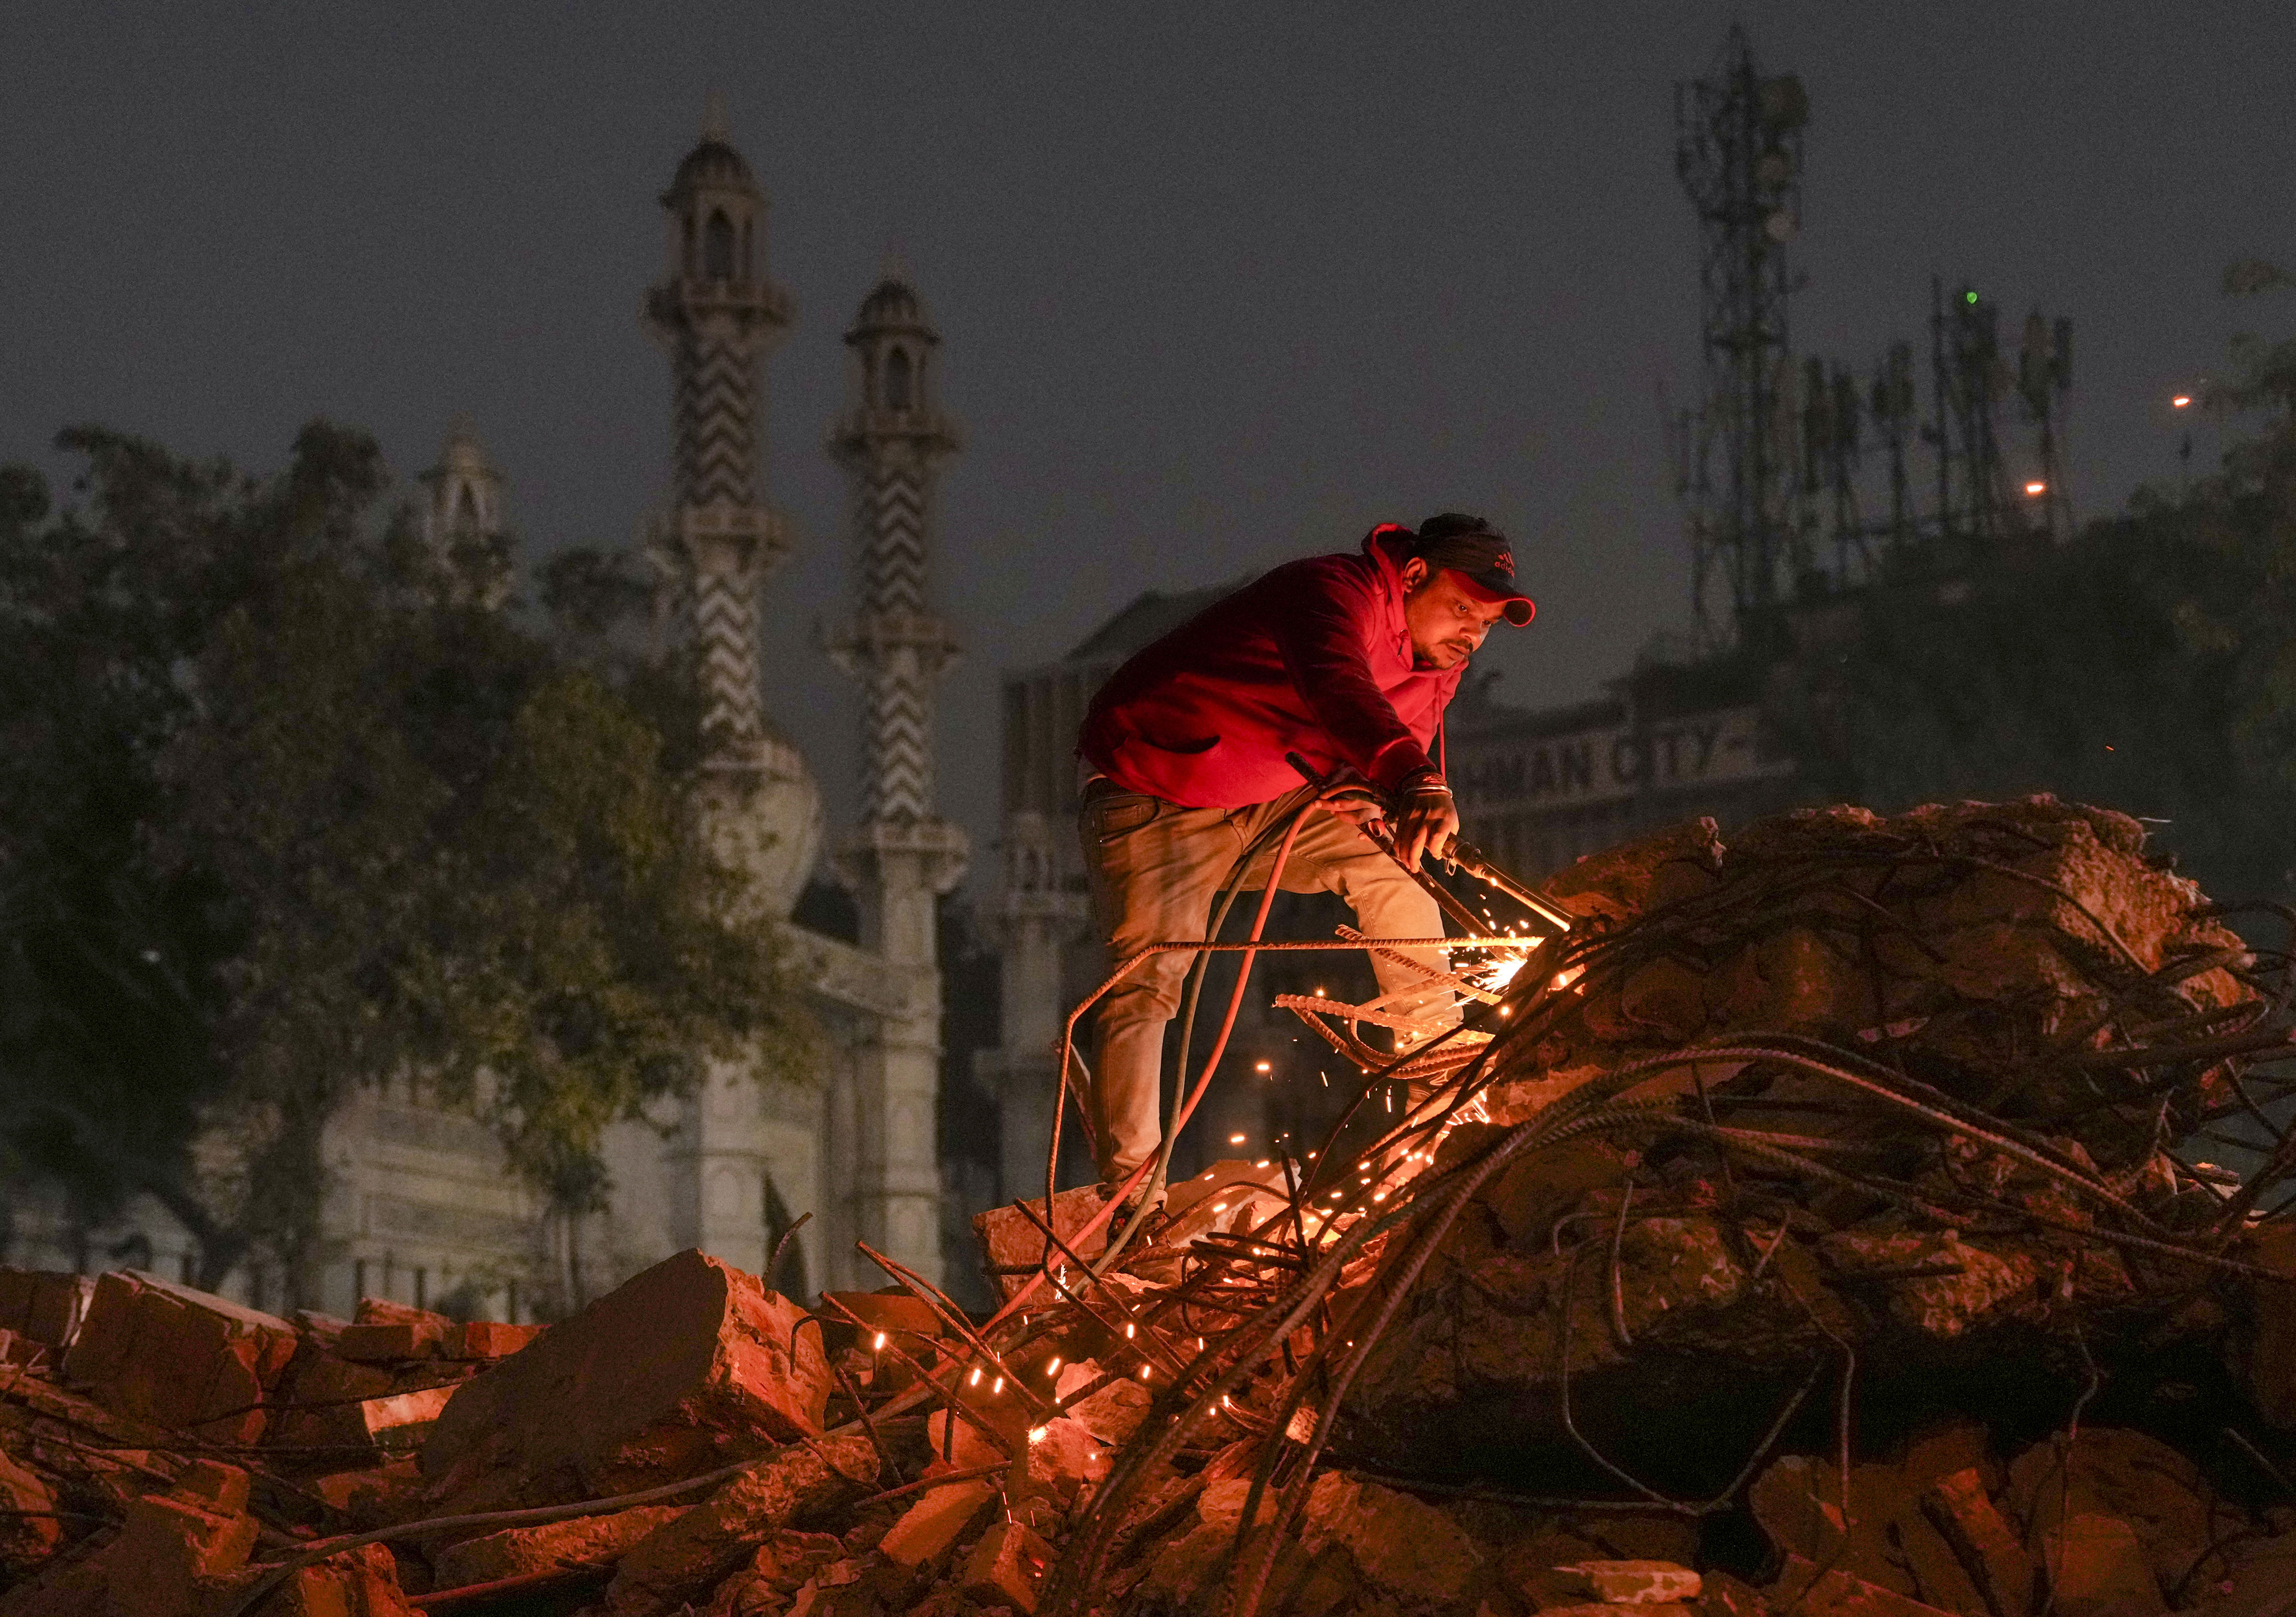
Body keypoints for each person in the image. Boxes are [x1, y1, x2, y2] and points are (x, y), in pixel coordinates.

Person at [1075, 512, 1536, 1201]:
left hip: (1268, 802)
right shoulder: (1330, 590)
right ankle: (1131, 1201)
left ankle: (1441, 1113)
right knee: (1149, 980)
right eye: (1462, 608)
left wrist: (1383, 798)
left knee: (1395, 871)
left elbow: (1392, 750)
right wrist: (1415, 781)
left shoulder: (1440, 665)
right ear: (1413, 575)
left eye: (1488, 622)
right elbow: (1336, 683)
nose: (1472, 632)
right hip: (1156, 788)